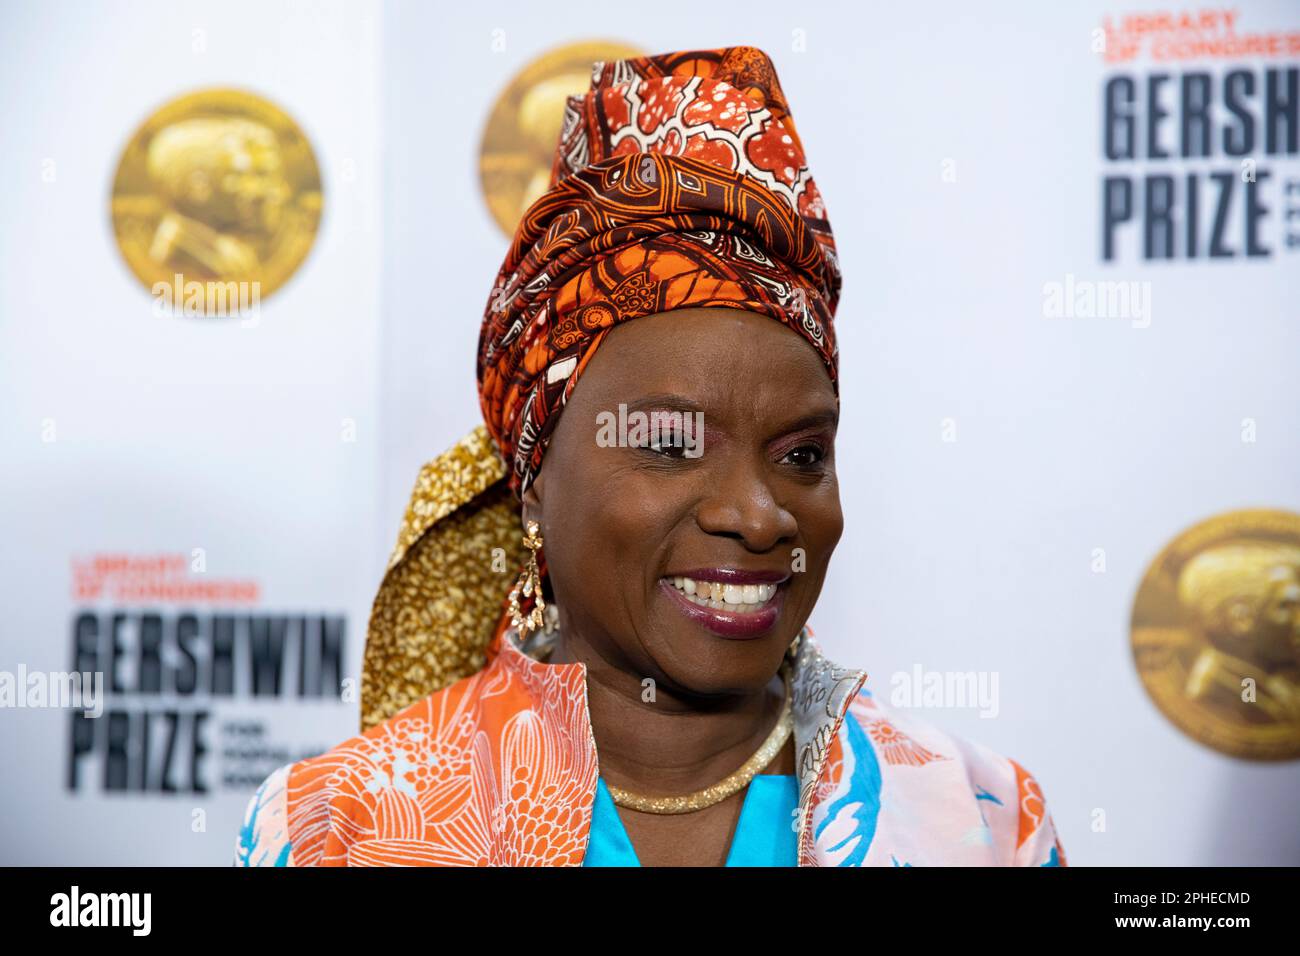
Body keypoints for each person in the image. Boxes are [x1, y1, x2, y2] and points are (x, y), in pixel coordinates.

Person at [234, 45, 1067, 867]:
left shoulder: (980, 820)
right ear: (534, 485)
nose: (758, 513)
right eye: (669, 444)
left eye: (803, 453)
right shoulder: (340, 829)